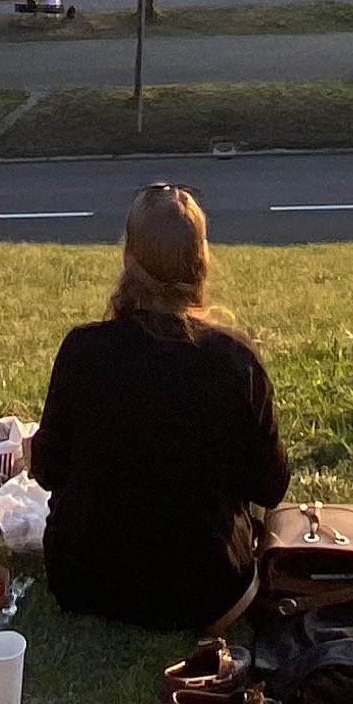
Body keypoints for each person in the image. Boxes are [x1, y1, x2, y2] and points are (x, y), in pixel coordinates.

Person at [29, 183, 292, 629]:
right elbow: (270, 487)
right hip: (208, 588)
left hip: (84, 580)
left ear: (128, 261)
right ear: (202, 263)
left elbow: (48, 469)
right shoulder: (235, 359)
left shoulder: (82, 349)